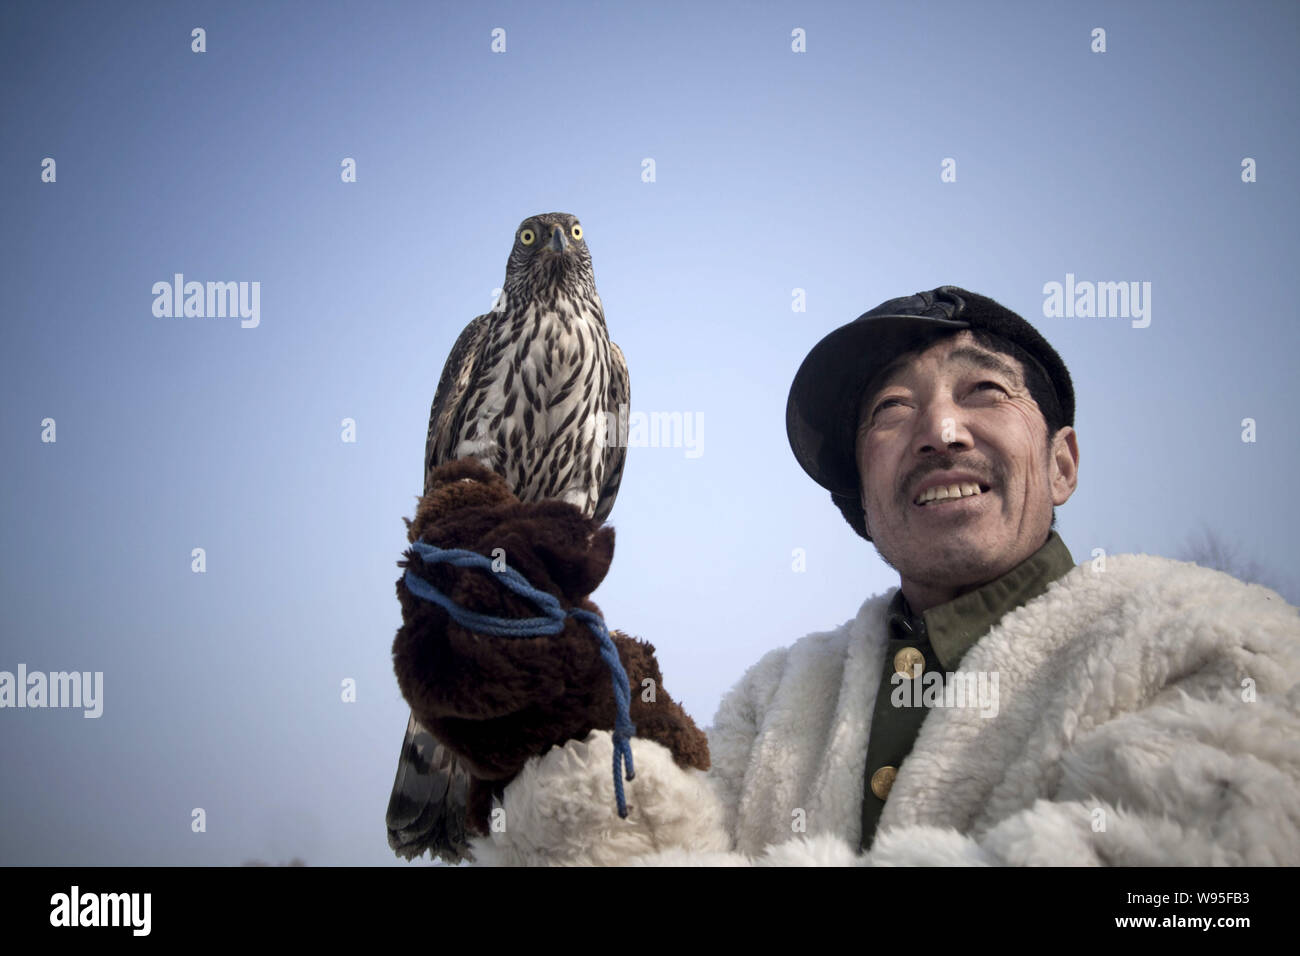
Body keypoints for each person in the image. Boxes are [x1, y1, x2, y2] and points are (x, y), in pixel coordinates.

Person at [455, 285, 1300, 865]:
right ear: (862, 497)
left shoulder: (1211, 640)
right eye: (893, 411)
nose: (941, 429)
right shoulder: (777, 698)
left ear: (1064, 462)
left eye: (985, 392)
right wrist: (552, 746)